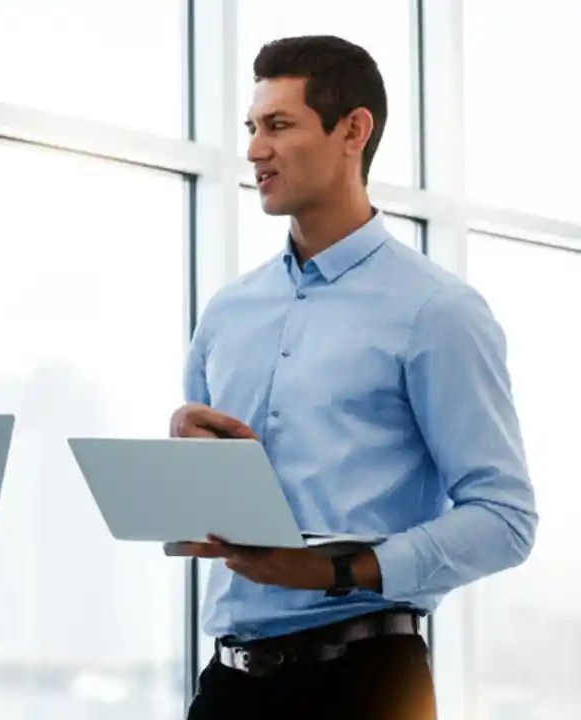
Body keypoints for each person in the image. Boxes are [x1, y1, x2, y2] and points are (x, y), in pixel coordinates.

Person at [167, 36, 537, 719]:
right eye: (251, 128)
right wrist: (186, 457)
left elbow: (505, 520)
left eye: (278, 126)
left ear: (352, 131)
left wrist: (336, 570)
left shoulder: (437, 311)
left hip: (365, 683)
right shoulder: (228, 312)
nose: (254, 151)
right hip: (227, 684)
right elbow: (211, 504)